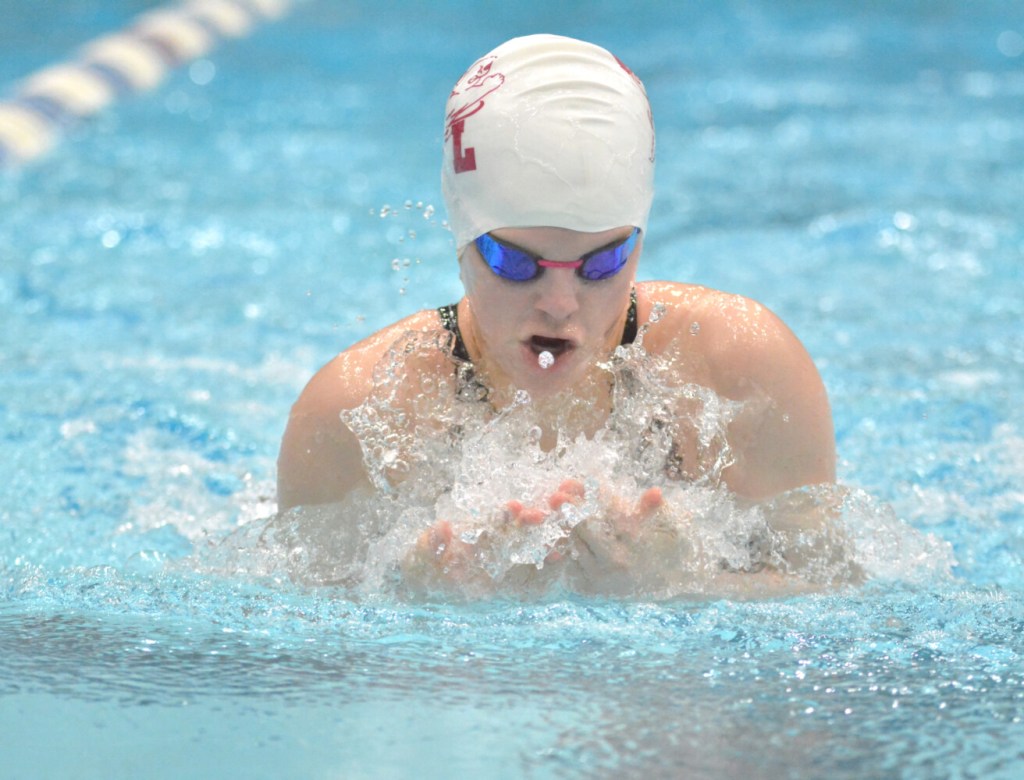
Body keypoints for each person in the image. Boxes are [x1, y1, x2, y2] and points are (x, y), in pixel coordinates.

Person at [276, 34, 845, 597]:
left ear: (639, 244)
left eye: (602, 262)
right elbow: (303, 653)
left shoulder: (743, 371)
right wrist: (407, 600)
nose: (559, 302)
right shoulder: (351, 414)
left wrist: (682, 586)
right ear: (461, 239)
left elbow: (838, 601)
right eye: (514, 262)